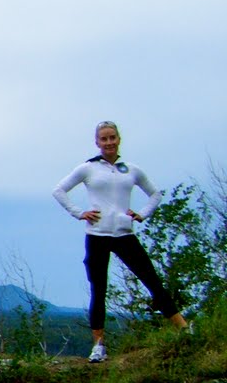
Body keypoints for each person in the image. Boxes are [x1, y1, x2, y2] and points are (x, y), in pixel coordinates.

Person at [52, 121, 189, 361]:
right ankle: (98, 345)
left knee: (152, 281)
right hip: (97, 235)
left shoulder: (131, 169)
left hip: (125, 234)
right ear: (97, 142)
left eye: (112, 137)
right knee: (99, 289)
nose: (108, 143)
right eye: (103, 139)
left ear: (118, 139)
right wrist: (79, 212)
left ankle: (184, 329)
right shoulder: (88, 168)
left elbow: (155, 194)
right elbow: (59, 190)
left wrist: (142, 214)